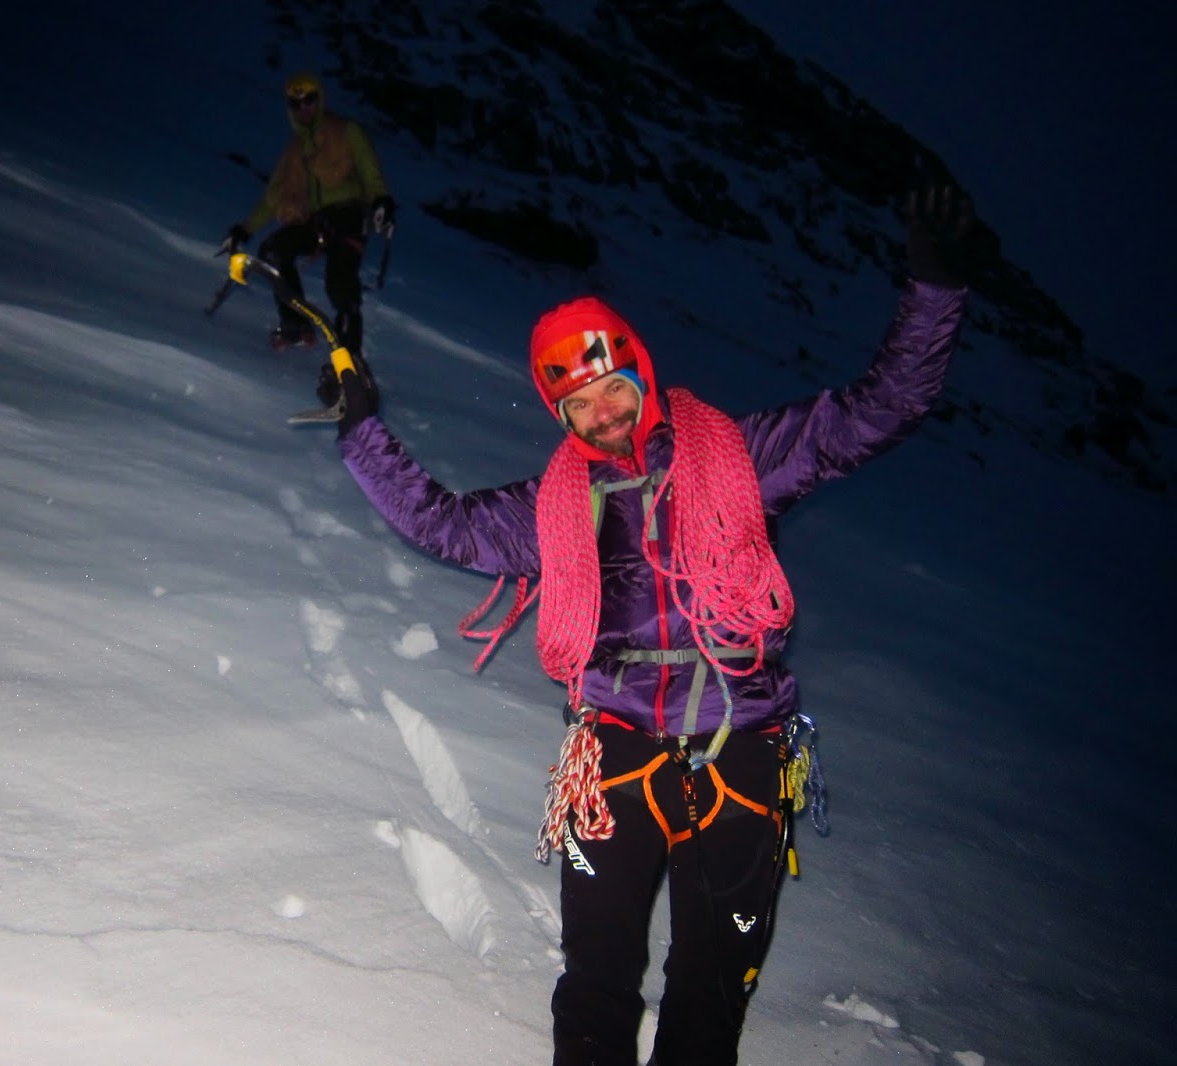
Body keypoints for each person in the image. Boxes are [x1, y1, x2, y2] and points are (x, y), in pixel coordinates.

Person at [323, 189, 974, 1066]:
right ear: (560, 415)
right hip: (616, 750)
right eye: (578, 403)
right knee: (595, 977)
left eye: (610, 386)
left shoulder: (741, 455)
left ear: (639, 372)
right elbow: (442, 523)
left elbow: (880, 408)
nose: (602, 411)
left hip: (742, 745)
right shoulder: (552, 506)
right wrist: (362, 432)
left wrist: (934, 289)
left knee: (712, 981)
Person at [220, 71, 394, 357]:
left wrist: (381, 200)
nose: (304, 108)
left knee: (340, 286)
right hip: (317, 221)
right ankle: (295, 325)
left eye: (309, 100)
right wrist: (245, 229)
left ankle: (349, 361)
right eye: (295, 103)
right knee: (274, 250)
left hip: (350, 217)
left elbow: (370, 171)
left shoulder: (346, 131)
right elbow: (274, 196)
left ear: (320, 99)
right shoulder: (295, 150)